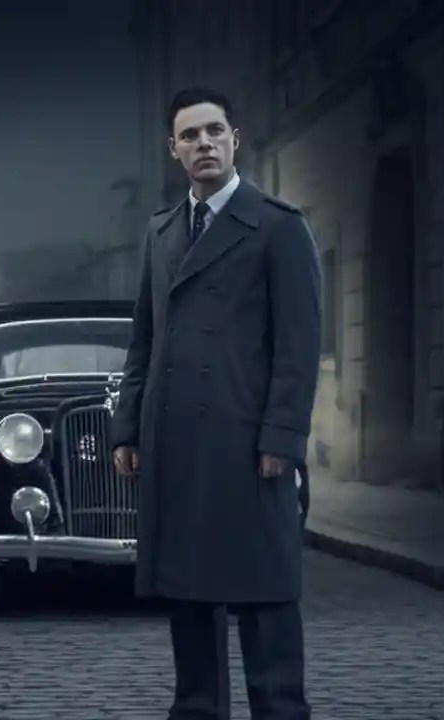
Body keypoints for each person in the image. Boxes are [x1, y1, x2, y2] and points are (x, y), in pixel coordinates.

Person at [110, 87, 321, 720]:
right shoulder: (161, 231)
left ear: (235, 140)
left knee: (265, 595)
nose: (204, 143)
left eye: (214, 132)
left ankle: (280, 712)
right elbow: (145, 338)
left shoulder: (279, 226)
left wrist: (282, 438)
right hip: (176, 442)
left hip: (248, 442)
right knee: (190, 599)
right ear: (173, 150)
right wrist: (128, 428)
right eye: (190, 136)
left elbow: (299, 346)